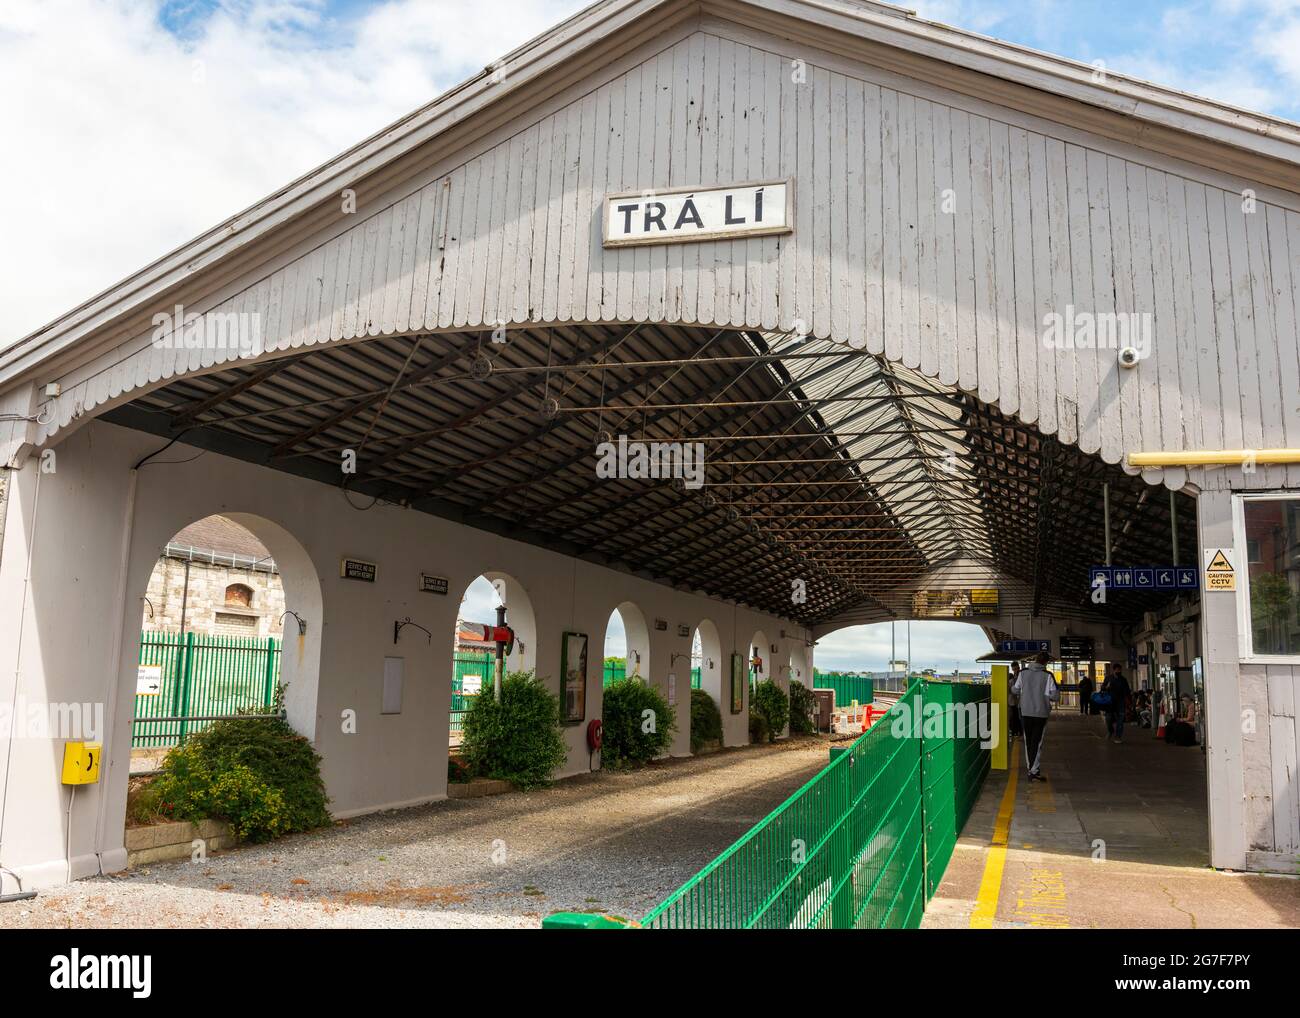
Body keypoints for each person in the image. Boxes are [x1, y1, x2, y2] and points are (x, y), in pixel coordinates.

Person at [1012, 651, 1058, 781]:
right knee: (1037, 742)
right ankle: (1033, 771)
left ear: (1035, 660)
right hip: (1041, 713)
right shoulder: (1048, 675)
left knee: (1029, 741)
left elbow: (1015, 689)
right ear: (1045, 662)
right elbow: (1054, 695)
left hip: (1025, 711)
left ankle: (1033, 769)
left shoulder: (1023, 673)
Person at [1101, 665, 1132, 744]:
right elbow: (1102, 688)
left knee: (1120, 719)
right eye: (1117, 670)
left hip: (1120, 702)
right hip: (1110, 702)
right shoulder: (1108, 678)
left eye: (1120, 670)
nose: (1119, 671)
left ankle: (1118, 736)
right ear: (1114, 670)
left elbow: (1127, 691)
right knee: (1108, 718)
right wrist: (1106, 687)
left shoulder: (1123, 679)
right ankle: (1110, 731)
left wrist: (1129, 701)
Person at [1007, 662, 1022, 739]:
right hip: (1015, 702)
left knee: (1016, 717)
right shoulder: (1013, 679)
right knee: (1015, 717)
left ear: (1019, 667)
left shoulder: (1022, 676)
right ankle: (1017, 732)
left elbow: (1013, 691)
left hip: (1019, 702)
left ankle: (1017, 732)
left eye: (1016, 669)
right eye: (1014, 669)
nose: (1015, 671)